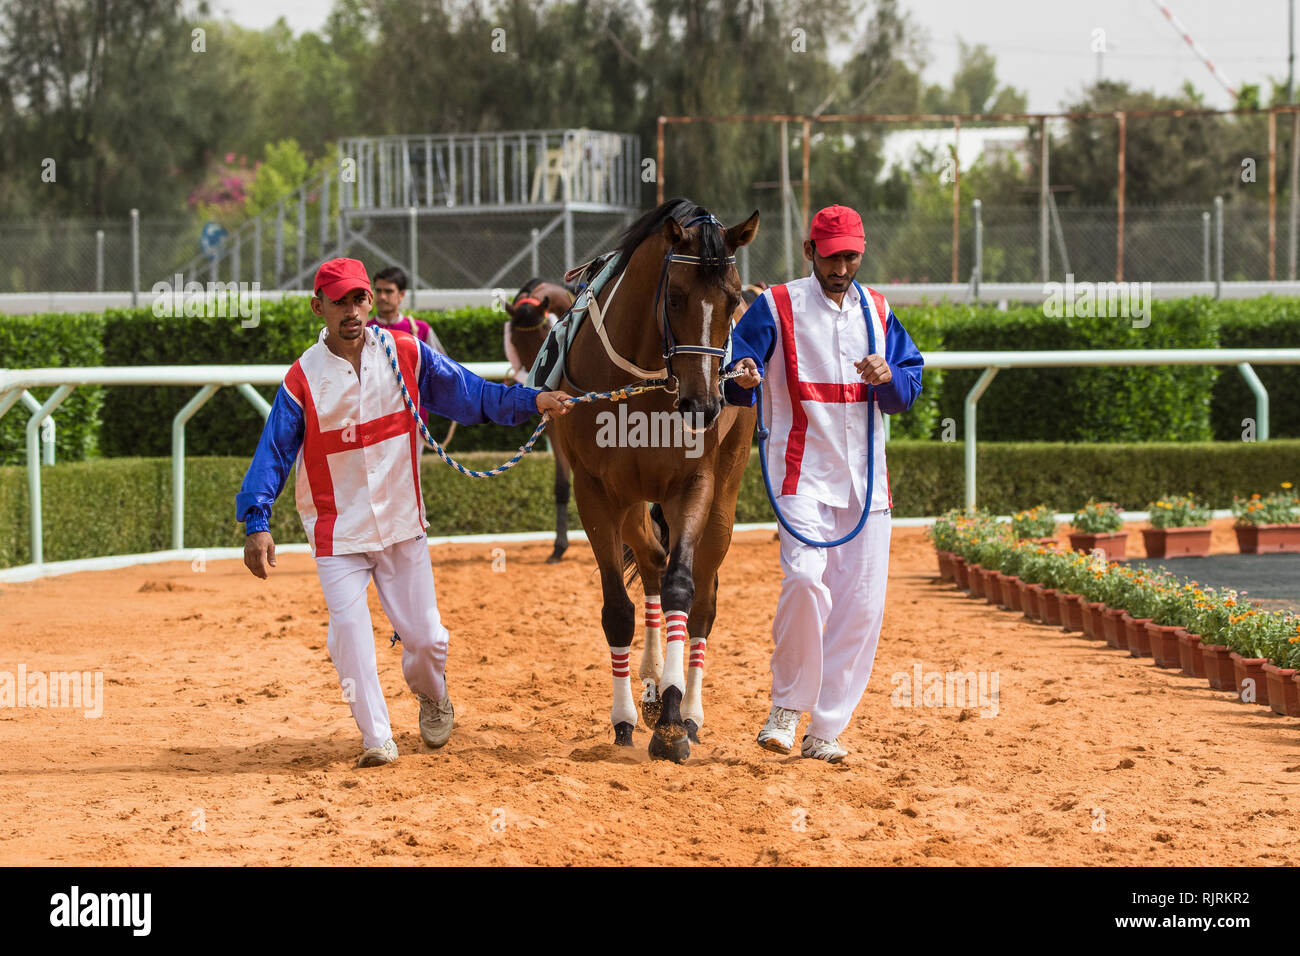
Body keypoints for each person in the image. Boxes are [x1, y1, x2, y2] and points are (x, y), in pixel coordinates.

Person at [236, 257, 571, 768]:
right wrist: (256, 520)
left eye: (359, 298)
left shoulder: (408, 354)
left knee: (426, 639)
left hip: (401, 526)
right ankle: (377, 738)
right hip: (336, 534)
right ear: (317, 307)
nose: (351, 311)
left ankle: (431, 693)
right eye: (339, 301)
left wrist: (534, 401)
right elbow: (274, 452)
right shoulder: (301, 379)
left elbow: (473, 396)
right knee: (349, 636)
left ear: (371, 301)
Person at [723, 205, 925, 763]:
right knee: (806, 583)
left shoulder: (879, 310)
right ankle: (786, 707)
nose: (841, 266)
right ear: (810, 250)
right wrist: (743, 376)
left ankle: (825, 730)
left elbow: (911, 383)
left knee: (860, 609)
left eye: (851, 256)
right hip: (800, 475)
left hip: (868, 484)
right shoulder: (775, 305)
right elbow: (734, 369)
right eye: (832, 255)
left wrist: (890, 378)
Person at [368, 266, 448, 356]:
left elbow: (440, 365)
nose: (382, 296)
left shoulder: (421, 329)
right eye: (378, 291)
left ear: (401, 294)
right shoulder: (365, 329)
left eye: (388, 291)